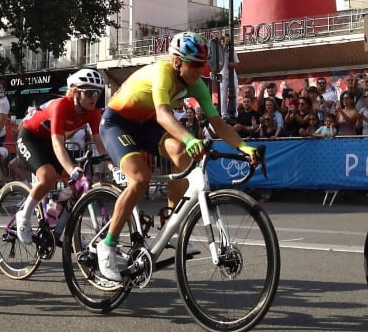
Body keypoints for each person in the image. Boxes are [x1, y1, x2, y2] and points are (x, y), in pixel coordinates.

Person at [93, 32, 260, 282]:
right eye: (193, 64)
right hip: (118, 122)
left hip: (146, 124)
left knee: (181, 154)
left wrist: (245, 148)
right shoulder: (162, 71)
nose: (199, 70)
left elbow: (217, 122)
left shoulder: (196, 82)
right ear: (176, 62)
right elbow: (162, 115)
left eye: (202, 65)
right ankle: (107, 245)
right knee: (140, 179)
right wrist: (190, 138)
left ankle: (170, 225)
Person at [11, 69, 110, 244]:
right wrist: (70, 168)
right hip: (30, 137)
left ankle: (54, 215)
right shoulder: (60, 106)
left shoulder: (93, 112)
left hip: (49, 141)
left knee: (76, 184)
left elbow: (99, 142)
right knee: (48, 177)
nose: (94, 97)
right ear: (74, 92)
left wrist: (113, 166)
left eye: (97, 93)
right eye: (89, 93)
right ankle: (24, 216)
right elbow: (58, 143)